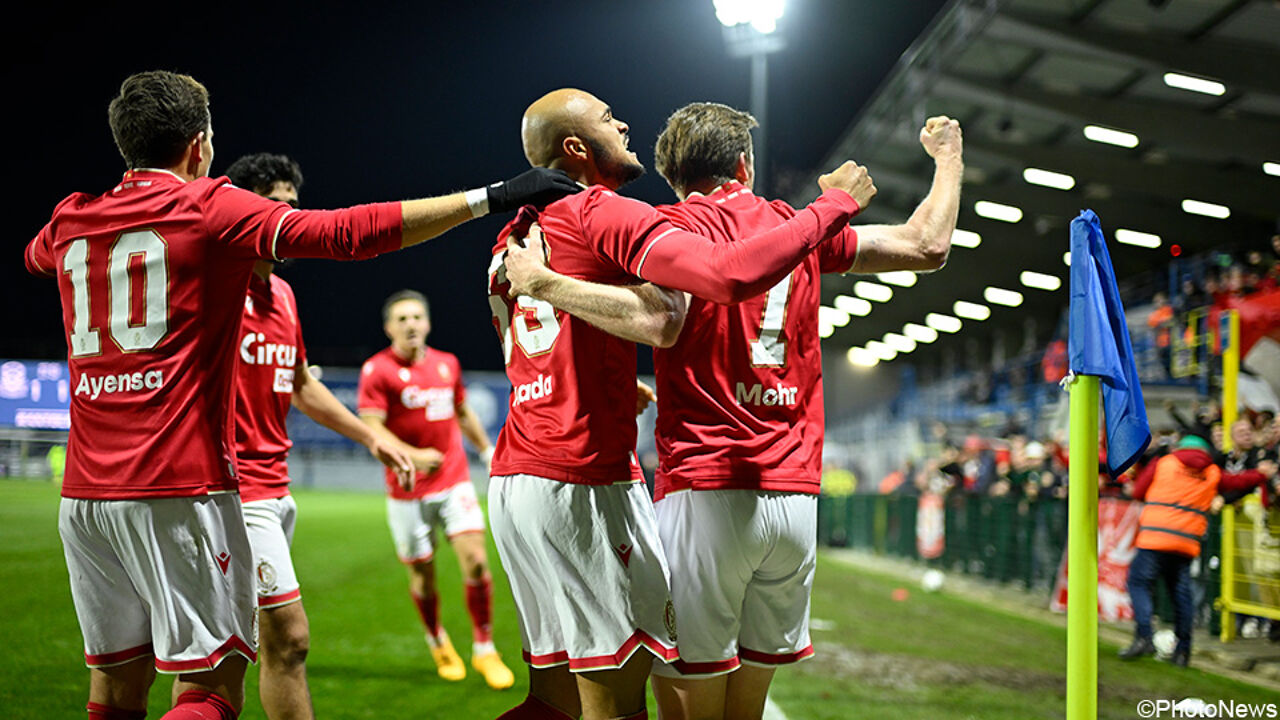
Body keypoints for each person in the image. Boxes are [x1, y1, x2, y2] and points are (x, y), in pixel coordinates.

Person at [24, 70, 578, 720]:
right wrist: (492, 196)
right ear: (200, 146)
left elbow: (37, 256)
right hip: (178, 486)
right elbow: (348, 233)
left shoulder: (69, 218)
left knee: (116, 690)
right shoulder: (209, 207)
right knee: (208, 688)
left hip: (86, 497)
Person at [502, 101, 961, 720]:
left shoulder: (666, 228)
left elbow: (657, 314)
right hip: (794, 498)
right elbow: (926, 245)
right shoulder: (793, 228)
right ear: (744, 165)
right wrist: (949, 161)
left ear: (673, 175)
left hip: (705, 491)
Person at [224, 152, 418, 720]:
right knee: (289, 639)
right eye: (273, 204)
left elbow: (301, 382)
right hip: (233, 490)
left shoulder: (281, 296)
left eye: (292, 204)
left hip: (276, 488)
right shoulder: (214, 285)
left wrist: (371, 437)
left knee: (236, 650)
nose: (287, 217)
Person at [357, 290, 514, 690]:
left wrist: (485, 449)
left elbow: (462, 411)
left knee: (477, 561)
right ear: (389, 327)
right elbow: (371, 426)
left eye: (417, 317)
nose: (411, 324)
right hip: (406, 489)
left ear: (427, 323)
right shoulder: (377, 370)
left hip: (453, 480)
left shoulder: (447, 365)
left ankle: (484, 648)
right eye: (402, 319)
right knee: (424, 578)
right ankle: (437, 639)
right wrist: (413, 454)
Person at [1121, 434, 1264, 666]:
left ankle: (1144, 635)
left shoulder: (1164, 463)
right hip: (1187, 541)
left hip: (1154, 538)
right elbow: (1239, 482)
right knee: (1181, 594)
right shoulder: (1213, 472)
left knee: (1139, 583)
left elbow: (1138, 492)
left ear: (1179, 447)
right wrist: (1262, 474)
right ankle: (1184, 650)